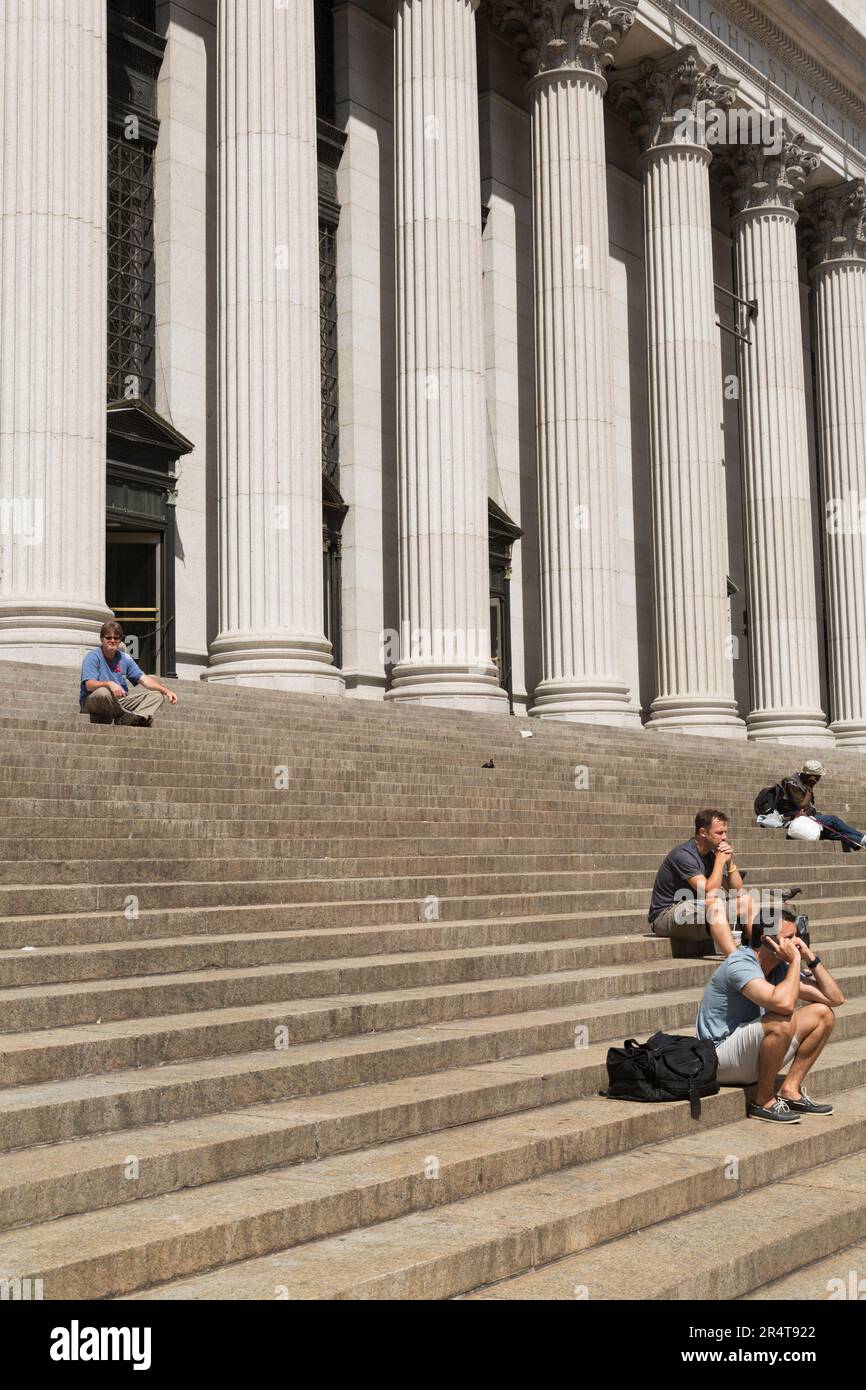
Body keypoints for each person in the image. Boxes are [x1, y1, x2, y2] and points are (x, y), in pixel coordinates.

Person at [696, 910, 845, 1122]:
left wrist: (810, 958)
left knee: (823, 1014)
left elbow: (835, 999)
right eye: (789, 937)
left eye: (796, 936)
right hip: (718, 1057)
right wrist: (795, 962)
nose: (797, 942)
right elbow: (783, 1004)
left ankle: (790, 1091)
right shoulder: (740, 963)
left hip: (748, 1053)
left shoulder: (779, 968)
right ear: (767, 940)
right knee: (781, 1021)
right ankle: (763, 1102)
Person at [648, 810, 754, 957]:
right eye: (719, 833)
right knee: (714, 904)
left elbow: (737, 890)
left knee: (745, 901)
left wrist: (730, 863)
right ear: (703, 832)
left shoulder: (710, 855)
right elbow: (708, 891)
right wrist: (719, 861)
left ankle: (758, 950)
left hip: (695, 908)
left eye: (725, 832)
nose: (725, 838)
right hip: (665, 915)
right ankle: (737, 959)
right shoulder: (683, 855)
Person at [79, 621, 177, 727]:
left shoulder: (125, 658)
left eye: (116, 638)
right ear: (102, 639)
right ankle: (131, 716)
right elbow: (89, 685)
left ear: (120, 640)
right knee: (103, 692)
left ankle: (131, 717)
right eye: (108, 638)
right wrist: (109, 684)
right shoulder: (93, 657)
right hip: (93, 701)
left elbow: (144, 679)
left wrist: (166, 691)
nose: (112, 641)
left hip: (119, 702)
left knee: (157, 695)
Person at [777, 759, 866, 852]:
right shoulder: (792, 783)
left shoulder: (803, 781)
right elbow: (802, 805)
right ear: (811, 776)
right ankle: (863, 838)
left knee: (828, 831)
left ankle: (857, 841)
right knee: (833, 820)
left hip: (806, 815)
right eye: (818, 777)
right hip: (793, 817)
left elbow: (810, 804)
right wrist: (809, 788)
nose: (818, 780)